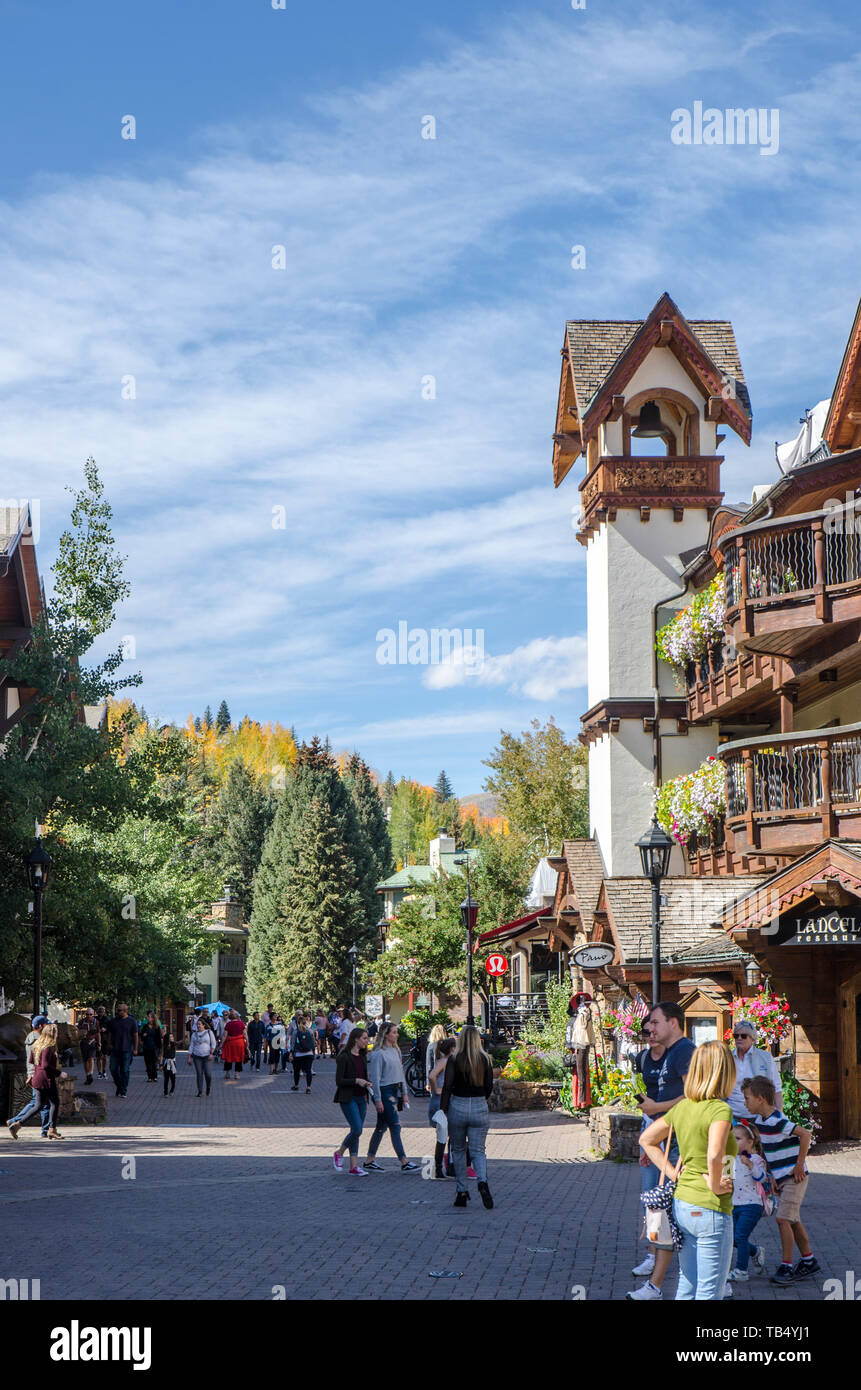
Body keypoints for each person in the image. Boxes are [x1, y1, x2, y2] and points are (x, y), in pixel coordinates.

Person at [640, 1040, 738, 1301]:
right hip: (711, 1207)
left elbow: (647, 1140)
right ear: (725, 1072)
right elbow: (715, 1153)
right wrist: (716, 1184)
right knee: (709, 1291)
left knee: (689, 1283)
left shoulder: (683, 1107)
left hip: (683, 1203)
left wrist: (673, 1174)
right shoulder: (720, 1109)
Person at [627, 1001, 696, 1300]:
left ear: (674, 1023)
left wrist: (657, 1110)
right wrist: (650, 1134)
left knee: (679, 1208)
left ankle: (698, 1273)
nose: (649, 1028)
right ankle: (656, 1261)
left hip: (679, 1141)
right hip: (660, 1139)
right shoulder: (656, 1056)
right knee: (654, 1203)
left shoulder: (684, 1051)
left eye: (655, 1022)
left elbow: (692, 1097)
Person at [742, 1075, 817, 1286]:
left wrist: (800, 1164)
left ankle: (786, 1266)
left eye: (747, 1098)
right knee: (792, 1220)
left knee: (782, 1219)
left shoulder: (778, 1120)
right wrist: (772, 1177)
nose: (745, 1103)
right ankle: (809, 1260)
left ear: (760, 1099)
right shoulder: (760, 1123)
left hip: (795, 1177)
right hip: (782, 1178)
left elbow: (805, 1135)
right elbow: (767, 1152)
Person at [629, 1014, 666, 1286]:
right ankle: (653, 1254)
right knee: (650, 1195)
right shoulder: (642, 1059)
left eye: (652, 1030)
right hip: (651, 1126)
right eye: (645, 1032)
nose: (649, 1035)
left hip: (673, 1128)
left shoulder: (675, 1058)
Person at [440, 1024, 495, 1209]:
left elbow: (447, 1086)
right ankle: (482, 1182)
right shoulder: (485, 1059)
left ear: (461, 1039)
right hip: (479, 1104)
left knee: (458, 1149)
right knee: (478, 1150)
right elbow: (489, 1087)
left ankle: (462, 1191)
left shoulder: (455, 1059)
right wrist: (482, 1100)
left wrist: (443, 1109)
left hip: (458, 1105)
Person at [363, 1023, 420, 1172]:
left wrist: (405, 1093)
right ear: (386, 1035)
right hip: (385, 1091)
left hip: (395, 1090)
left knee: (381, 1127)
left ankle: (369, 1159)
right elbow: (375, 1079)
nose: (397, 1035)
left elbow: (401, 1074)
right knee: (395, 1125)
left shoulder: (396, 1051)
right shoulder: (378, 1054)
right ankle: (404, 1160)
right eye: (394, 1032)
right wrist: (378, 1099)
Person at [727, 1122, 767, 1282]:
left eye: (737, 1138)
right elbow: (726, 1182)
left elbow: (761, 1178)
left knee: (740, 1236)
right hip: (733, 1205)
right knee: (733, 1239)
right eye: (731, 1138)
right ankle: (755, 1251)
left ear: (750, 1142)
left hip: (751, 1205)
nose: (733, 1142)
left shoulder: (756, 1159)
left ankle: (741, 1271)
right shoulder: (729, 1159)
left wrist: (750, 1164)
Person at [333, 1026, 375, 1176]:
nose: (367, 1041)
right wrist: (357, 1081)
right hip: (348, 1097)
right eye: (364, 1038)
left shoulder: (363, 1056)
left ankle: (354, 1166)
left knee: (355, 1132)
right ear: (356, 1039)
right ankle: (339, 1152)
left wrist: (367, 1082)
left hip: (362, 1097)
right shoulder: (344, 1056)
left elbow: (363, 1075)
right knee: (357, 1129)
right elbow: (339, 1081)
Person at [727, 1018, 783, 1120]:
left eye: (743, 1036)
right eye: (736, 1036)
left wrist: (779, 1116)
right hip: (731, 1116)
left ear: (752, 1039)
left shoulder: (765, 1058)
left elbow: (776, 1088)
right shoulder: (727, 1058)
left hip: (759, 1117)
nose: (739, 1038)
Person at [5, 1015, 50, 1138]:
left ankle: (15, 1121)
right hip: (38, 1074)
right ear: (40, 1026)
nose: (47, 1027)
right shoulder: (37, 1040)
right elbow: (36, 1060)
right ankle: (44, 1130)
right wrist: (32, 1074)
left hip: (34, 1073)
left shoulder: (31, 1037)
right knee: (42, 1103)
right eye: (46, 1024)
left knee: (38, 1102)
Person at [29, 1022, 66, 1139]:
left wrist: (32, 1073)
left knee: (38, 1105)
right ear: (52, 1034)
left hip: (38, 1078)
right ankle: (51, 1129)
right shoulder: (48, 1047)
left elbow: (31, 1061)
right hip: (46, 1079)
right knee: (55, 1103)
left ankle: (17, 1124)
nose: (57, 1035)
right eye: (56, 1033)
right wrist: (59, 1073)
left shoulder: (37, 1045)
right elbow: (45, 1065)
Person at [428, 1036, 456, 1178]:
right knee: (443, 1135)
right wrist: (437, 1089)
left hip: (445, 1100)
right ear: (452, 1049)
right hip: (441, 1101)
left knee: (449, 1134)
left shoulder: (445, 1061)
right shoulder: (445, 1061)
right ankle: (439, 1168)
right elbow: (432, 1076)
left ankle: (449, 1166)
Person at [565, 993, 597, 1110]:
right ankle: (579, 1102)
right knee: (578, 1077)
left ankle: (583, 1102)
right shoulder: (573, 1021)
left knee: (583, 1076)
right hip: (577, 1050)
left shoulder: (583, 1017)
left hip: (583, 1049)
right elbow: (568, 1040)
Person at [108, 1003, 139, 1098]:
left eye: (119, 1010)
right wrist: (109, 1044)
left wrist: (135, 1048)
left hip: (127, 1049)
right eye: (117, 1010)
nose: (118, 1012)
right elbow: (110, 1033)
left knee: (125, 1070)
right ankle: (119, 1085)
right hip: (115, 1049)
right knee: (113, 1069)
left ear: (125, 1011)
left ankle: (123, 1090)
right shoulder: (114, 1021)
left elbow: (135, 1035)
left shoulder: (131, 1021)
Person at [187, 1014, 217, 1097]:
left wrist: (211, 1053)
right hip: (197, 1057)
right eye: (197, 1025)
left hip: (207, 1056)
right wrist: (189, 1057)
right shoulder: (194, 1035)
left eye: (200, 1024)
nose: (198, 1026)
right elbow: (191, 1046)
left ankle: (208, 1087)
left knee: (208, 1074)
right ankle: (200, 1091)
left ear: (204, 1025)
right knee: (199, 1073)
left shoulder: (209, 1032)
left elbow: (213, 1044)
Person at [291, 1014, 316, 1093]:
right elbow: (313, 1042)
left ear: (298, 1023)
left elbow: (293, 1043)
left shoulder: (296, 1031)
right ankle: (308, 1087)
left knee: (297, 1070)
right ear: (306, 1023)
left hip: (298, 1054)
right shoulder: (310, 1031)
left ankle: (296, 1085)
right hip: (309, 1053)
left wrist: (291, 1052)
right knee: (308, 1071)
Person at [221, 1009, 247, 1081]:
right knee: (238, 1058)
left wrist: (222, 1044)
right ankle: (236, 1074)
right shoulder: (241, 1023)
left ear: (230, 1017)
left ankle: (227, 1073)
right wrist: (247, 1043)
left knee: (228, 1058)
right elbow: (245, 1034)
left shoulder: (228, 1024)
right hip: (239, 1043)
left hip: (230, 1043)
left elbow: (225, 1036)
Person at [77, 1007, 100, 1085]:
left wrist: (99, 1043)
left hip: (92, 1042)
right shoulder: (81, 1022)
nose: (89, 1016)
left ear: (93, 1014)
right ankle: (88, 1076)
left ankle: (90, 1074)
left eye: (91, 1014)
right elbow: (78, 1032)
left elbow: (98, 1033)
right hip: (84, 1043)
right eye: (87, 1014)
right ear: (85, 1014)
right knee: (85, 1061)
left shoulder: (95, 1022)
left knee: (91, 1058)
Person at [140, 1011, 163, 1083]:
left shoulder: (156, 1027)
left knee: (154, 1062)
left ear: (153, 1018)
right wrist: (143, 1036)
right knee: (147, 1062)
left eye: (149, 1017)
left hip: (154, 1047)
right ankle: (149, 1077)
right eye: (148, 1017)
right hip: (146, 1046)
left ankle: (155, 1076)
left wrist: (159, 1048)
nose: (148, 1018)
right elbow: (141, 1035)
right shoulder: (145, 1027)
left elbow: (159, 1037)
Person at [95, 1006, 111, 1078]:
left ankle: (104, 1071)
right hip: (97, 1040)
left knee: (105, 1056)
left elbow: (111, 1028)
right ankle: (99, 1072)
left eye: (102, 1012)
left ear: (104, 1012)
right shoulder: (95, 1019)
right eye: (99, 1012)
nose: (100, 1013)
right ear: (97, 1012)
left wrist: (106, 1029)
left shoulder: (107, 1019)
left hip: (105, 1040)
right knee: (98, 1057)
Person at [161, 1032, 178, 1096]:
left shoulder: (173, 1044)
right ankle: (165, 1091)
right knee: (166, 1078)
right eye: (171, 1037)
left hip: (173, 1063)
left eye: (172, 1037)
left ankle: (172, 1090)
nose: (172, 1038)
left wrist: (184, 1039)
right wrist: (161, 1064)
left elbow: (178, 1042)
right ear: (167, 1038)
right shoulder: (164, 1046)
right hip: (166, 1063)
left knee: (173, 1078)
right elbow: (162, 1055)